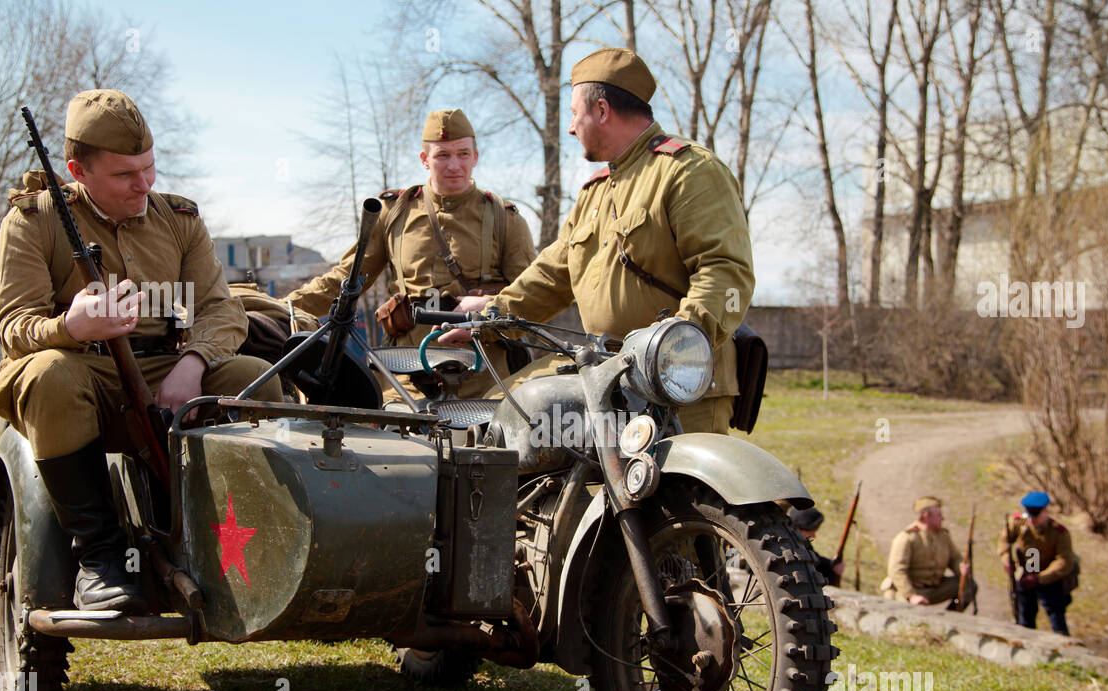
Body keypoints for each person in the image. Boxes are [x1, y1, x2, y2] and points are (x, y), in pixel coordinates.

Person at [0, 89, 282, 614]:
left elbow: (220, 309)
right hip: (79, 376)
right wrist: (71, 325)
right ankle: (99, 560)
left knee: (254, 375)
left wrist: (192, 365)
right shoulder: (32, 222)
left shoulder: (180, 219)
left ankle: (234, 541)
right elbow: (14, 326)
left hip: (166, 372)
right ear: (79, 170)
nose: (144, 183)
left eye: (149, 167)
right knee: (50, 375)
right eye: (126, 174)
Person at [445, 48, 754, 434]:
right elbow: (553, 274)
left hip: (677, 390)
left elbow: (725, 273)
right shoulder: (595, 191)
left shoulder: (688, 172)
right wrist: (491, 315)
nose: (571, 127)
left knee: (679, 491)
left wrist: (670, 353)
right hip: (607, 382)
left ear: (602, 110)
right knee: (506, 429)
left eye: (575, 114)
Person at [288, 109, 535, 400]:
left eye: (463, 154)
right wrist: (285, 306)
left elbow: (531, 294)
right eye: (443, 155)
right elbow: (348, 278)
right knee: (394, 437)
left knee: (494, 439)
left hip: (486, 370)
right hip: (405, 370)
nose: (454, 165)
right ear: (424, 160)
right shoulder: (394, 212)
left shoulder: (505, 218)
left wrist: (488, 303)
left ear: (476, 157)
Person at [998, 490, 1076, 635]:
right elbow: (1004, 541)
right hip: (1027, 574)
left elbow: (1064, 561)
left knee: (1057, 620)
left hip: (1050, 578)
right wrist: (1006, 560)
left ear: (1045, 511)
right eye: (1029, 515)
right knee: (1025, 620)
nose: (1031, 520)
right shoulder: (1019, 522)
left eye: (1036, 515)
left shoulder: (1059, 532)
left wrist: (1040, 579)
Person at [880, 496, 975, 608]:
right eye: (939, 515)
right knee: (904, 608)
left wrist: (961, 569)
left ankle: (950, 618)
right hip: (911, 590)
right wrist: (911, 596)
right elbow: (897, 571)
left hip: (935, 587)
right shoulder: (907, 538)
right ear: (926, 516)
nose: (943, 518)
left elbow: (955, 559)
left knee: (970, 586)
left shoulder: (943, 536)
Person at [788, 506, 843, 587]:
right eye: (811, 531)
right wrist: (832, 569)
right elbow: (814, 568)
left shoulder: (801, 543)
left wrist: (832, 564)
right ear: (798, 529)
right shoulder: (793, 547)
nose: (813, 536)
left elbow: (815, 559)